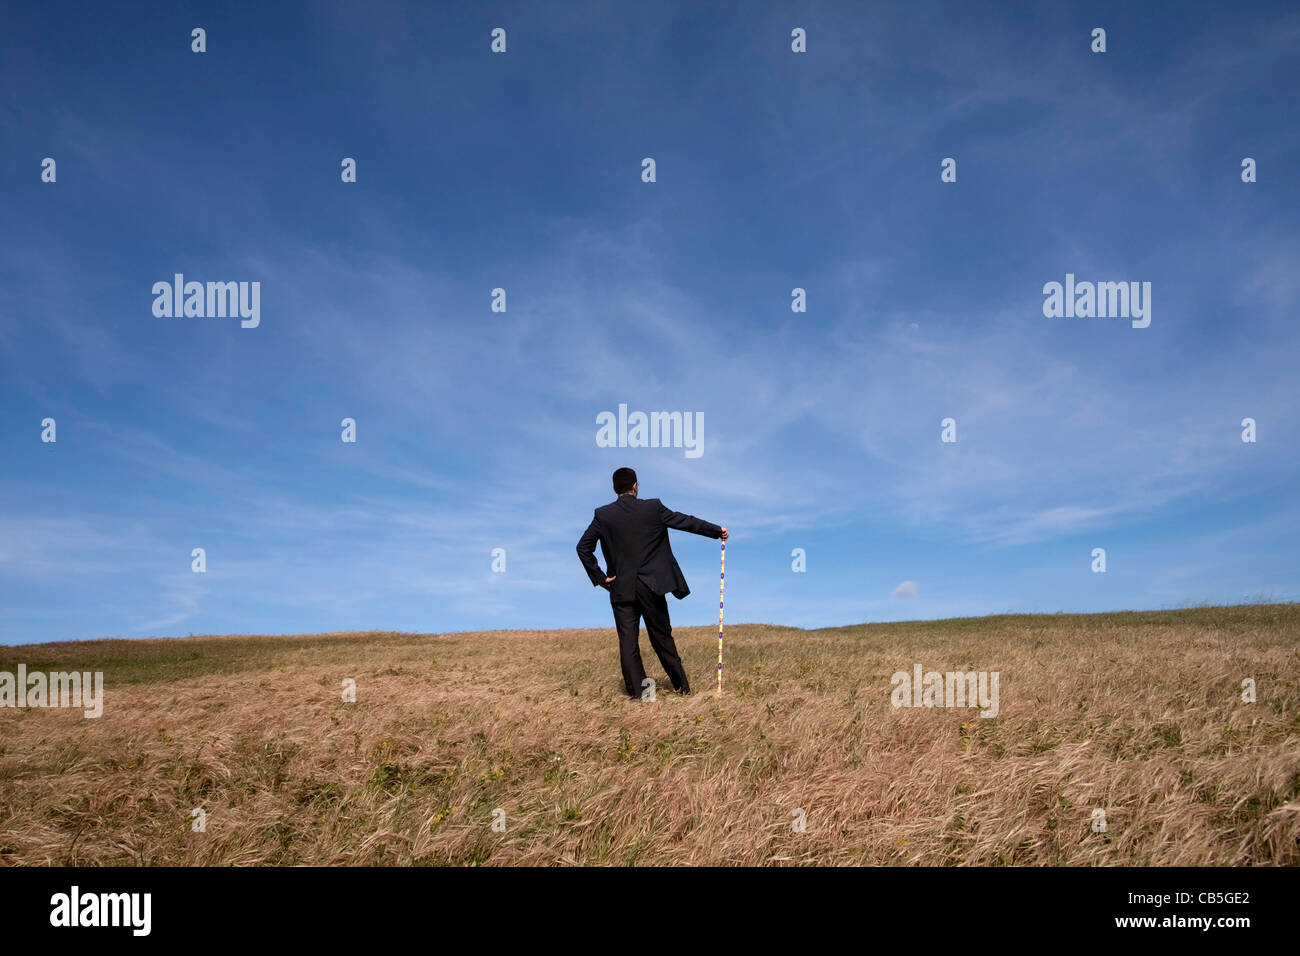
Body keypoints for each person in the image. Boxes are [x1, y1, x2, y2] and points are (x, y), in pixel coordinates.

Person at [576, 467, 728, 699]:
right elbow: (684, 521)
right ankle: (682, 690)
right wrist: (716, 531)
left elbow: (583, 547)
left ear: (615, 489)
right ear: (635, 486)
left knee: (628, 644)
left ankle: (642, 696)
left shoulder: (603, 514)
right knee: (662, 638)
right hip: (651, 585)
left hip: (621, 587)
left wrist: (600, 577)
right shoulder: (653, 508)